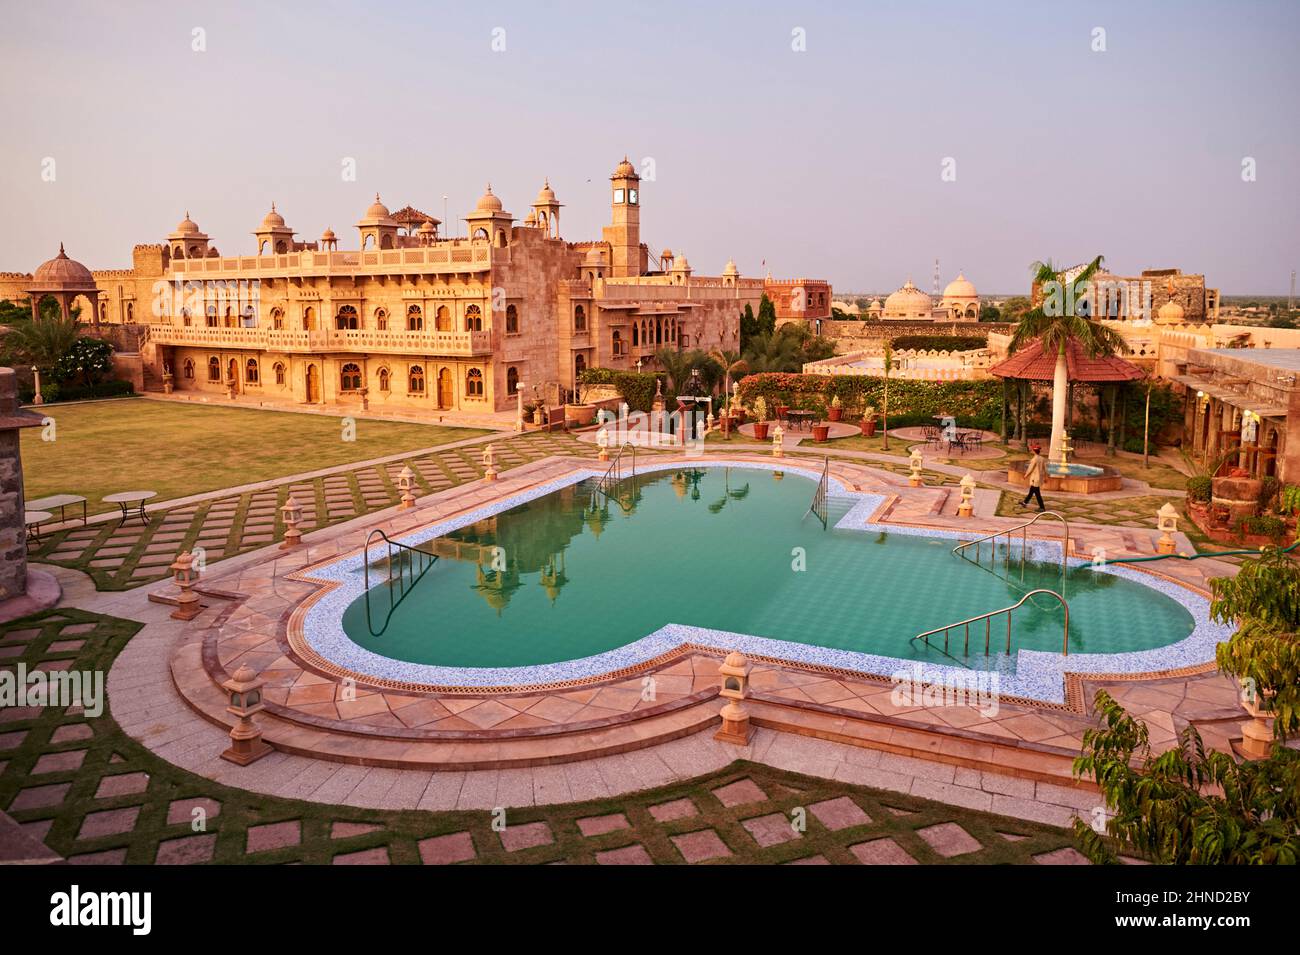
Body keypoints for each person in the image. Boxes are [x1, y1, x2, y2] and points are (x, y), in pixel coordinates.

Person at [1020, 443, 1046, 511]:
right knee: (1031, 492)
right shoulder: (1042, 459)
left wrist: (1025, 475)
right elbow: (1044, 469)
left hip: (1035, 479)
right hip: (1038, 478)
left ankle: (1042, 507)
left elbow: (1030, 468)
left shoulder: (1035, 459)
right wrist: (1045, 478)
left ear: (1034, 451)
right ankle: (1025, 502)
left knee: (1037, 494)